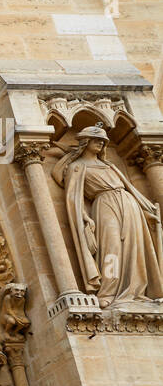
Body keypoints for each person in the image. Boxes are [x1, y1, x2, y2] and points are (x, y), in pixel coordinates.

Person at [53, 124, 163, 306]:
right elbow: (73, 197)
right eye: (96, 140)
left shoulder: (109, 165)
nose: (100, 144)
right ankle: (109, 291)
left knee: (134, 247)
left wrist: (147, 209)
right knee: (112, 248)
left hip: (128, 203)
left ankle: (135, 290)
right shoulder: (77, 166)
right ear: (86, 142)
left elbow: (130, 188)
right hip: (104, 204)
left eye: (103, 141)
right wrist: (84, 216)